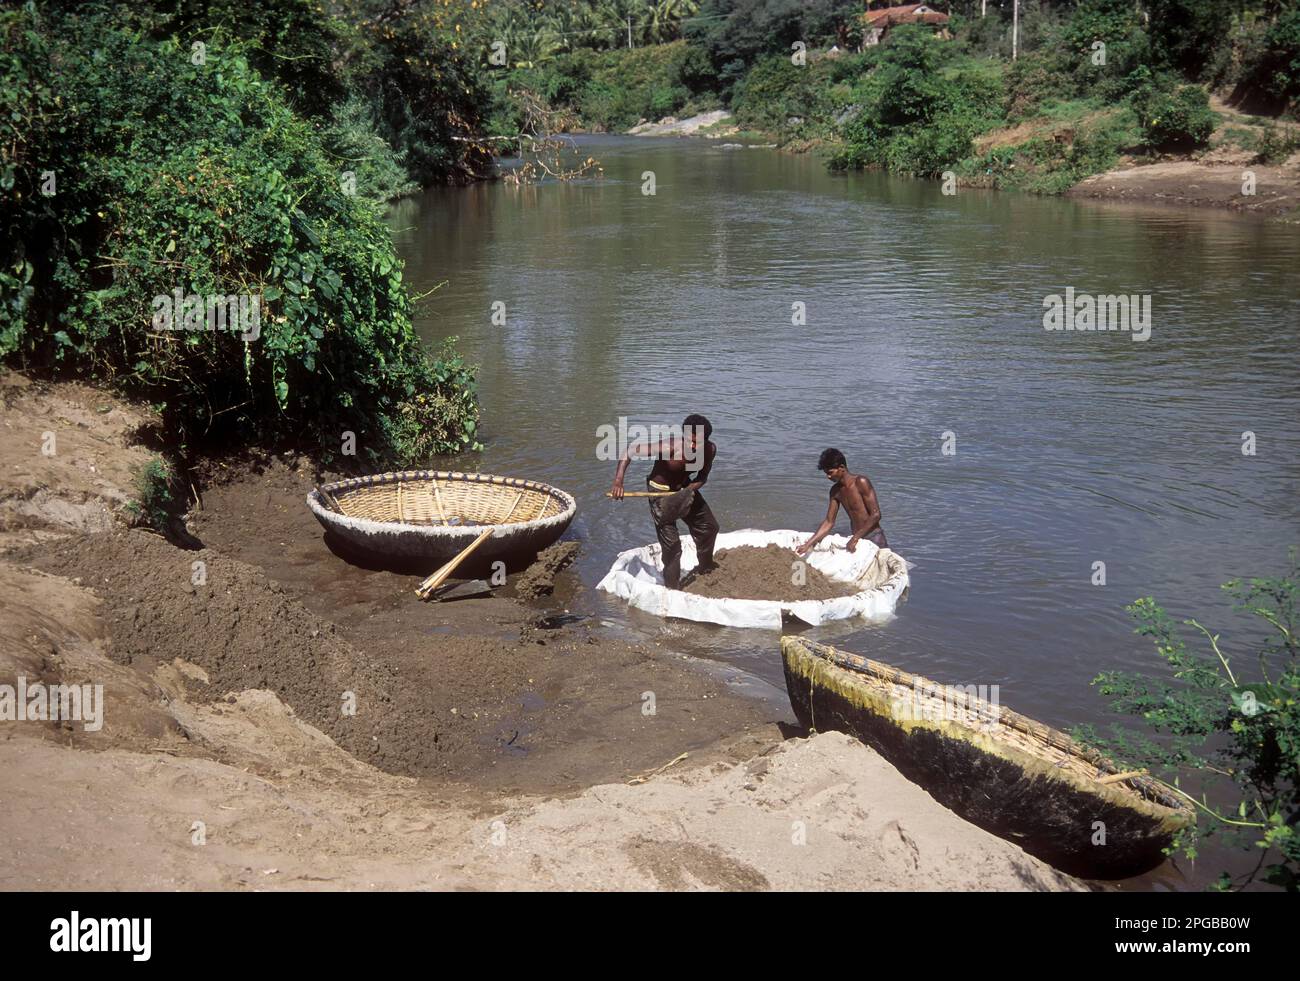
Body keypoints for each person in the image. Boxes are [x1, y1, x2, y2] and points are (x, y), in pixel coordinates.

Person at [610, 414, 719, 590]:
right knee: (673, 547)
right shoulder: (669, 446)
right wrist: (618, 481)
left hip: (685, 488)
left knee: (709, 527)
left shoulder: (709, 450)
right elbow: (630, 450)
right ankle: (672, 589)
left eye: (696, 443)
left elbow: (702, 476)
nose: (692, 446)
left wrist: (688, 491)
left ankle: (705, 568)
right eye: (689, 441)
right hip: (660, 492)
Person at [795, 448, 888, 556]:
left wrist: (855, 538)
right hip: (857, 538)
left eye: (830, 472)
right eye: (826, 473)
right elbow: (829, 522)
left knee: (884, 566)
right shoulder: (835, 491)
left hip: (874, 536)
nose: (828, 477)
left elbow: (876, 514)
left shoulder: (861, 482)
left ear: (842, 468)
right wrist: (808, 544)